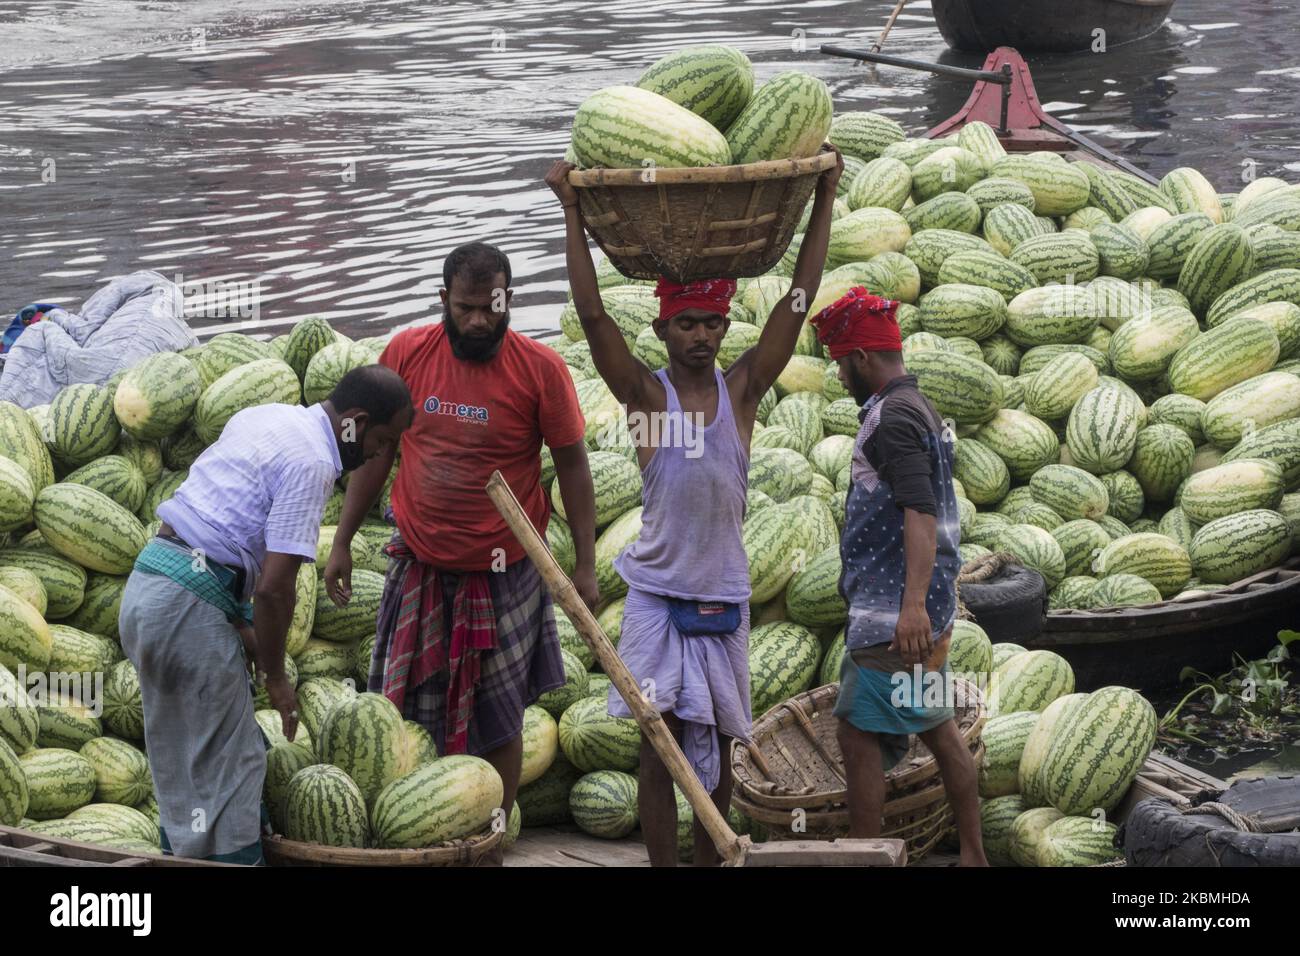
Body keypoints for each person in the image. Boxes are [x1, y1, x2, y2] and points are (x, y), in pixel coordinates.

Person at [544, 147, 843, 866]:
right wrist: (572, 211)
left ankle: (713, 862)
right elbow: (589, 315)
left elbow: (799, 300)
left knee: (721, 753)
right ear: (662, 332)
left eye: (712, 323)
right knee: (659, 747)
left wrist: (826, 196)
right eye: (687, 325)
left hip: (722, 600)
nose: (702, 335)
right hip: (655, 598)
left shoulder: (743, 394)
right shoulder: (649, 398)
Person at [323, 242, 599, 858]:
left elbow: (574, 466)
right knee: (405, 712)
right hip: (419, 564)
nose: (480, 320)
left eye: (492, 307)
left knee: (499, 717)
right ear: (443, 299)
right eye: (467, 307)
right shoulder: (406, 354)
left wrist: (583, 563)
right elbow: (378, 453)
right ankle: (415, 837)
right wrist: (342, 539)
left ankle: (490, 838)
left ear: (509, 302)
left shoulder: (541, 370)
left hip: (504, 571)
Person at [118, 364, 414, 863]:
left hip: (151, 590)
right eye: (382, 441)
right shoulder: (313, 462)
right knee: (232, 767)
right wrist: (276, 677)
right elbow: (276, 590)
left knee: (184, 763)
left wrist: (241, 630)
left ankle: (180, 857)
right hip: (188, 609)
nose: (380, 455)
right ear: (355, 422)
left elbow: (215, 528)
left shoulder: (267, 417)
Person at [811, 287, 987, 867]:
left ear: (861, 357)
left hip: (896, 617)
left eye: (841, 364)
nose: (840, 377)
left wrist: (910, 608)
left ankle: (868, 855)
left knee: (857, 735)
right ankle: (972, 854)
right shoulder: (920, 407)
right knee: (937, 726)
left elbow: (919, 511)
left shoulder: (892, 419)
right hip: (920, 610)